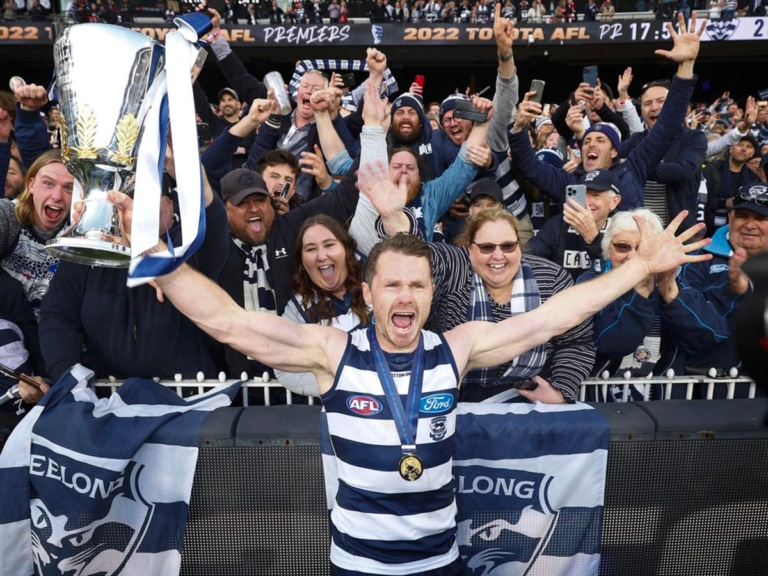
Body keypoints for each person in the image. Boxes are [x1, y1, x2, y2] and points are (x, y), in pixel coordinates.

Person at [109, 176, 709, 574]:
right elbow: (231, 324)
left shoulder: (456, 348)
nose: (405, 295)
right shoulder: (332, 352)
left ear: (430, 294)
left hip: (440, 563)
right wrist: (159, 258)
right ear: (369, 293)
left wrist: (639, 271)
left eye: (417, 285)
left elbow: (552, 317)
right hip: (358, 566)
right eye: (392, 284)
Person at [507, 12, 706, 218]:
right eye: (587, 141)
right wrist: (519, 128)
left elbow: (667, 125)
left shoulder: (632, 169)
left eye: (600, 140)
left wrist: (686, 67)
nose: (591, 144)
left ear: (614, 153)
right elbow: (528, 166)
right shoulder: (568, 181)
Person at [579, 209, 725, 400]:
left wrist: (668, 289)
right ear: (608, 249)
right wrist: (642, 289)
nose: (633, 256)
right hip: (600, 402)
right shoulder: (590, 282)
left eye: (643, 248)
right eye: (623, 247)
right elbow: (608, 344)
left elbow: (709, 337)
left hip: (664, 404)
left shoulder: (672, 279)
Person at [275, 215, 370, 396]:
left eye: (329, 245)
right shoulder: (298, 310)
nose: (321, 256)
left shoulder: (375, 279)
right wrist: (342, 382)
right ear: (302, 262)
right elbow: (284, 370)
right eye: (311, 249)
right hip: (344, 407)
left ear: (346, 249)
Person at [0, 149, 72, 316]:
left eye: (69, 188)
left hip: (55, 327)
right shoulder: (8, 214)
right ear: (31, 184)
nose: (57, 196)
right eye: (48, 183)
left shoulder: (82, 235)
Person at [526, 169, 622, 280]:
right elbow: (529, 258)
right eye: (583, 194)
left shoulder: (622, 229)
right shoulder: (558, 224)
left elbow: (621, 273)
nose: (587, 202)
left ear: (614, 202)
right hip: (563, 288)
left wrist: (593, 239)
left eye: (596, 195)